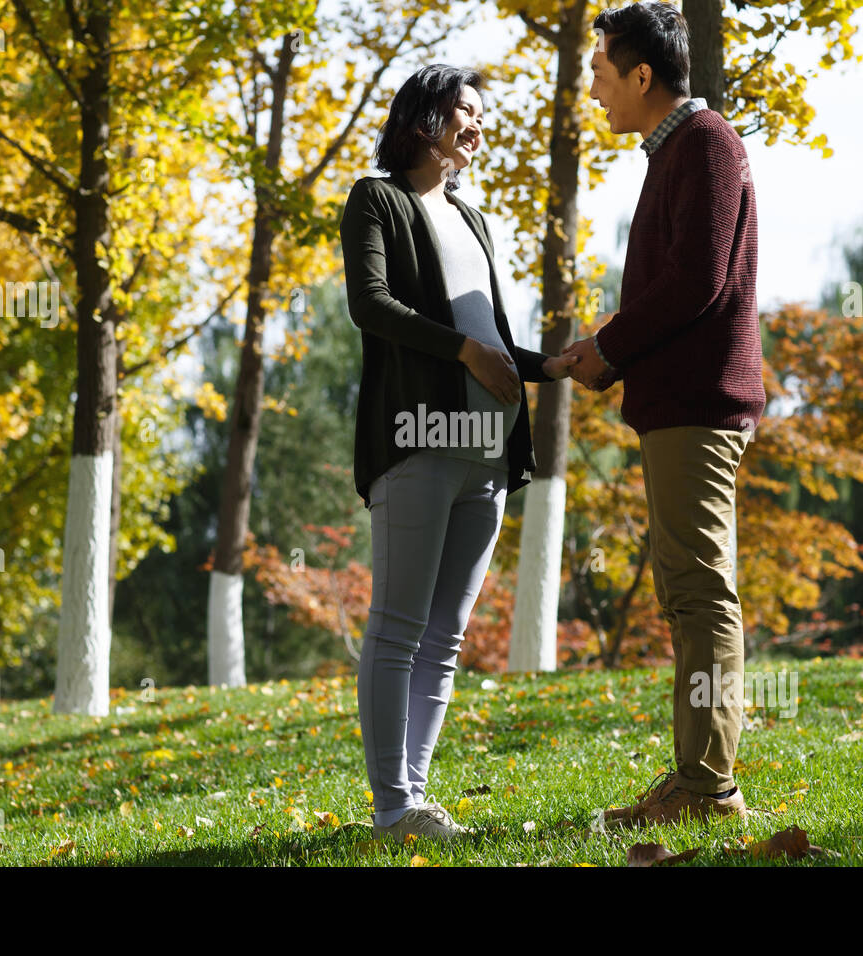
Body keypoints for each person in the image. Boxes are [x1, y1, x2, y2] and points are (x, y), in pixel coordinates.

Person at [339, 64, 579, 841]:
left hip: (486, 454)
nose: (477, 124)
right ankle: (391, 808)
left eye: (480, 113)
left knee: (446, 636)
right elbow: (370, 305)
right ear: (423, 121)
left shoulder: (473, 220)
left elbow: (496, 345)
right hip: (417, 440)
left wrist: (555, 366)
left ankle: (413, 797)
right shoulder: (377, 199)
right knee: (398, 624)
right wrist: (464, 355)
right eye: (464, 112)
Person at [565, 1, 766, 828]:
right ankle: (700, 778)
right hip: (678, 404)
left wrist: (609, 348)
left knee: (700, 591)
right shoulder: (677, 151)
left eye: (602, 75)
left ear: (643, 75)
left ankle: (709, 787)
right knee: (688, 590)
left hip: (698, 405)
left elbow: (696, 283)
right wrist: (610, 355)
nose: (596, 93)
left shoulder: (706, 143)